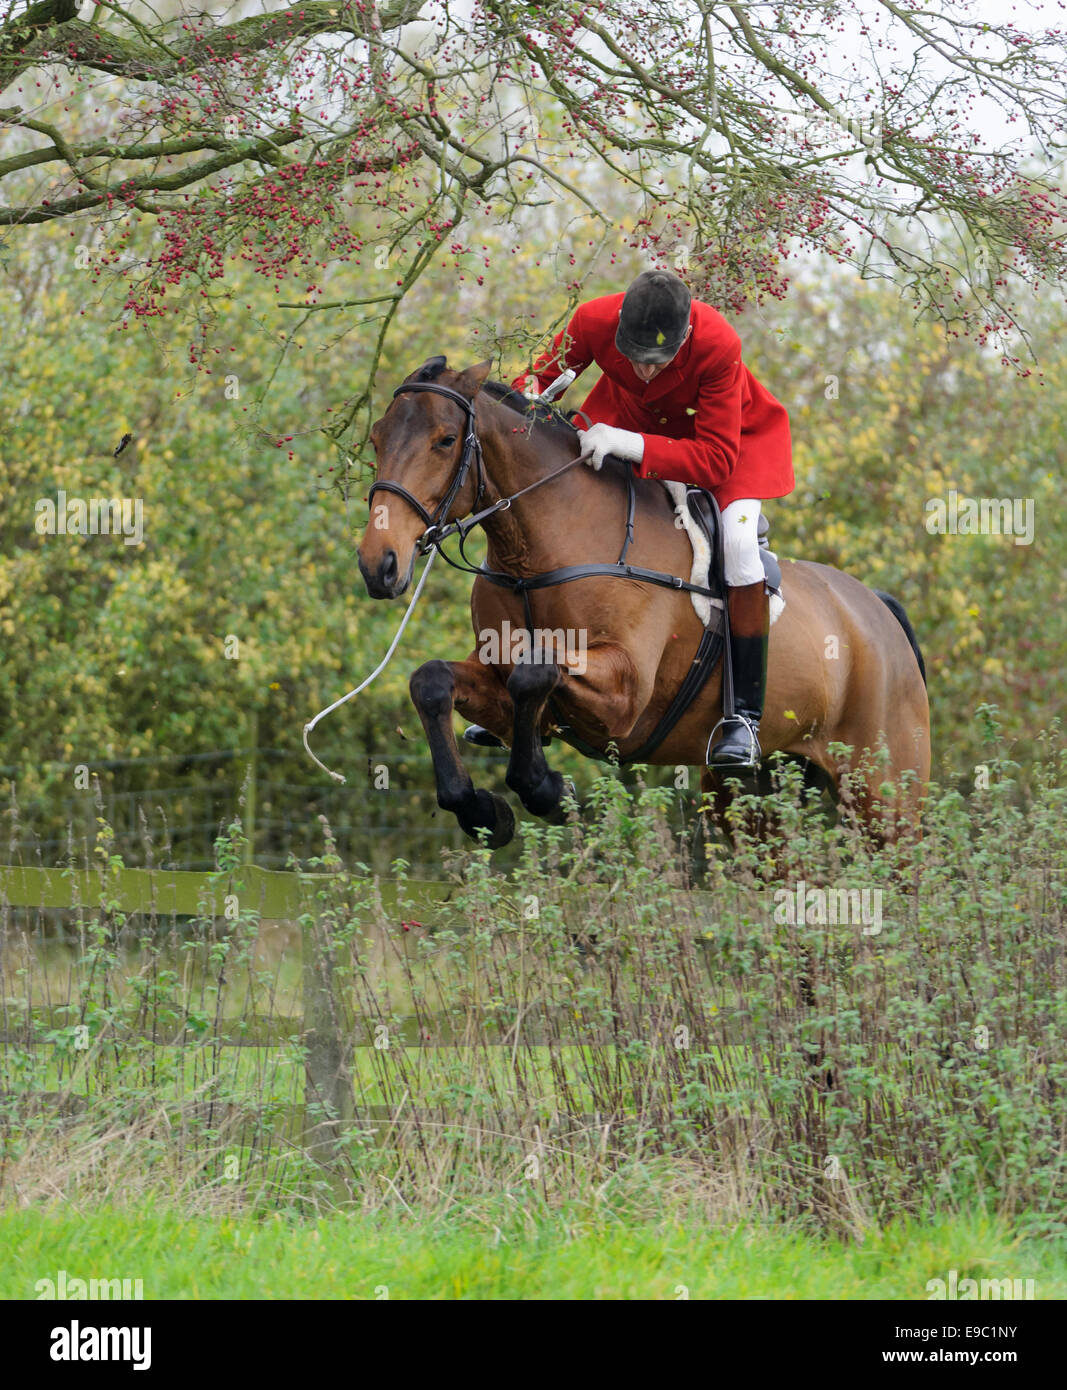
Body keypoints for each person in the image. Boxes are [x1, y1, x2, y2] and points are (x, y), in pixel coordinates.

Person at [471, 269, 795, 768]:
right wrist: (529, 402)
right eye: (635, 357)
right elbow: (536, 382)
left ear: (685, 336)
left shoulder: (716, 345)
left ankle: (742, 718)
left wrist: (630, 444)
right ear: (619, 321)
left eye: (656, 362)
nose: (644, 371)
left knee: (739, 550)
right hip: (621, 424)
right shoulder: (594, 318)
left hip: (726, 450)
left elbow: (714, 459)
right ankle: (514, 687)